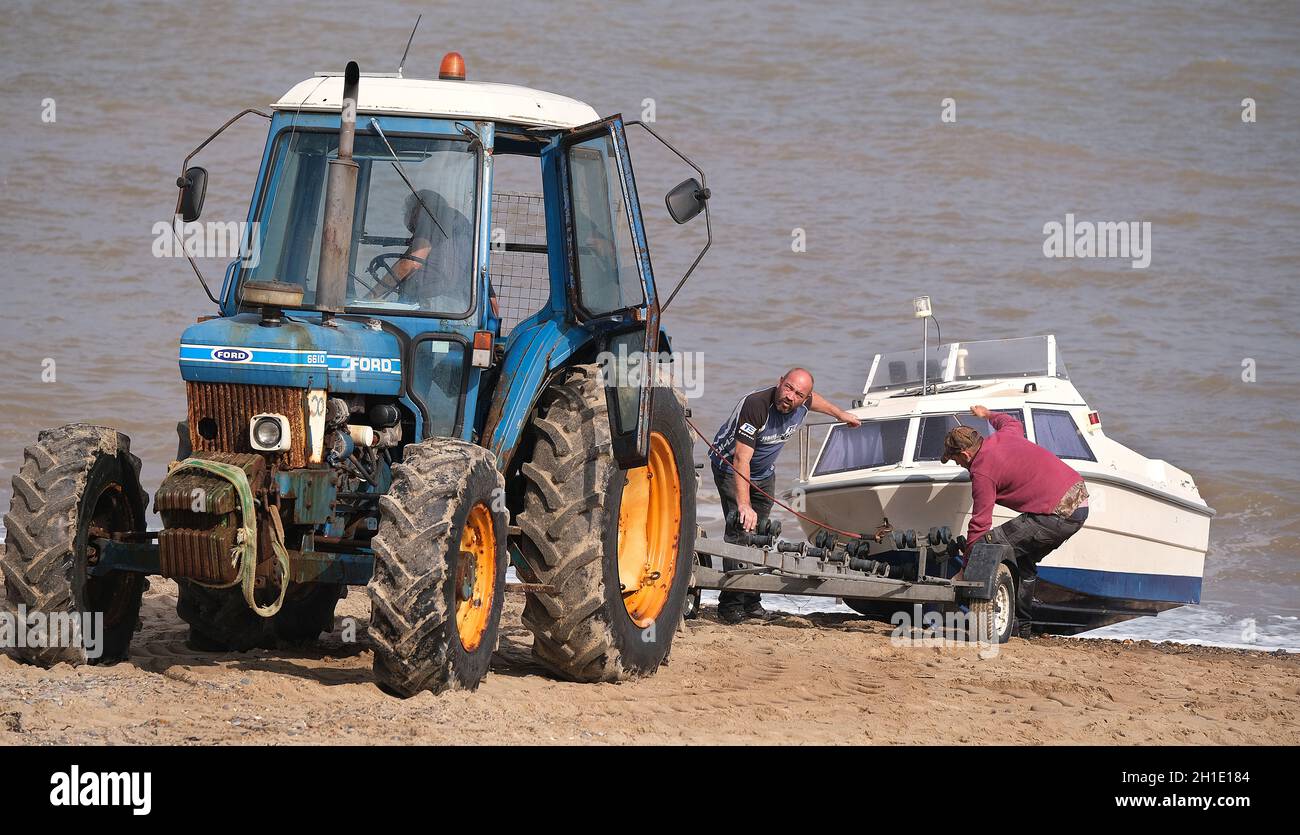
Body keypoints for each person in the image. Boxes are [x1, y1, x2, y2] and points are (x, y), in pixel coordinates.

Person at [709, 368, 861, 624]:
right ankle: (730, 606)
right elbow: (740, 458)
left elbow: (817, 400)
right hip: (730, 469)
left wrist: (840, 415)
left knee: (760, 536)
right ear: (780, 383)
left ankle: (752, 602)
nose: (790, 396)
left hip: (764, 474)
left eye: (798, 393)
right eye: (788, 387)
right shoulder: (756, 406)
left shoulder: (804, 403)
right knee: (740, 532)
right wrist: (744, 504)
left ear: (804, 398)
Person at [943, 405, 1090, 632]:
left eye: (955, 461)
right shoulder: (1003, 436)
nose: (958, 465)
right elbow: (1011, 422)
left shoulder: (982, 471)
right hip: (1078, 500)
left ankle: (977, 616)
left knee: (984, 547)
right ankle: (1021, 628)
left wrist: (965, 568)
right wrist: (988, 415)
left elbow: (980, 523)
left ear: (965, 454)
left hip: (1057, 513)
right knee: (1022, 561)